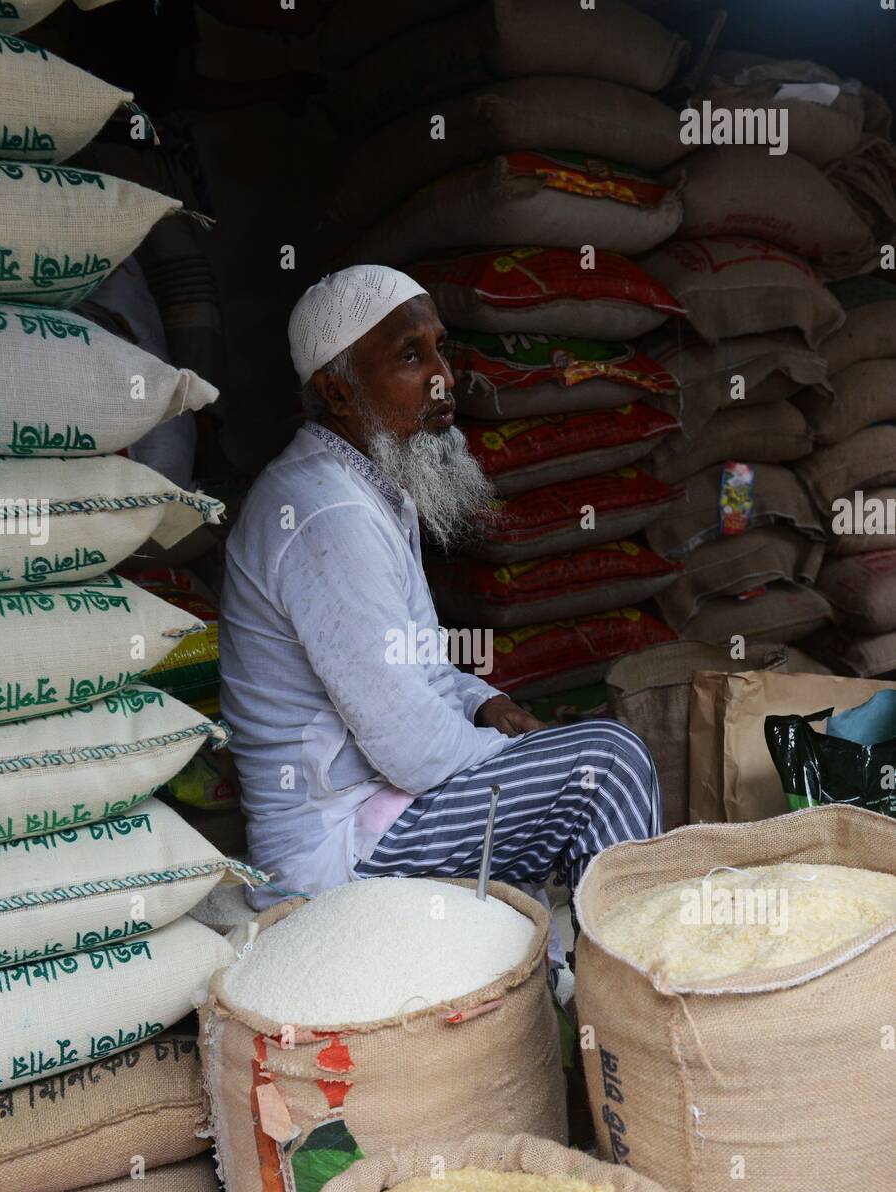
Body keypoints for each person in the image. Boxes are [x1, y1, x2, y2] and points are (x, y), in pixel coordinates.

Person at [218, 265, 661, 963]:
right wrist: (523, 760)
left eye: (438, 349)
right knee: (602, 765)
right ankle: (636, 1001)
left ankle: (590, 983)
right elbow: (414, 749)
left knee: (564, 775)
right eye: (408, 356)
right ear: (337, 392)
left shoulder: (364, 486)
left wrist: (483, 702)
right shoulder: (325, 512)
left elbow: (406, 664)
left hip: (383, 811)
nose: (442, 377)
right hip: (337, 853)